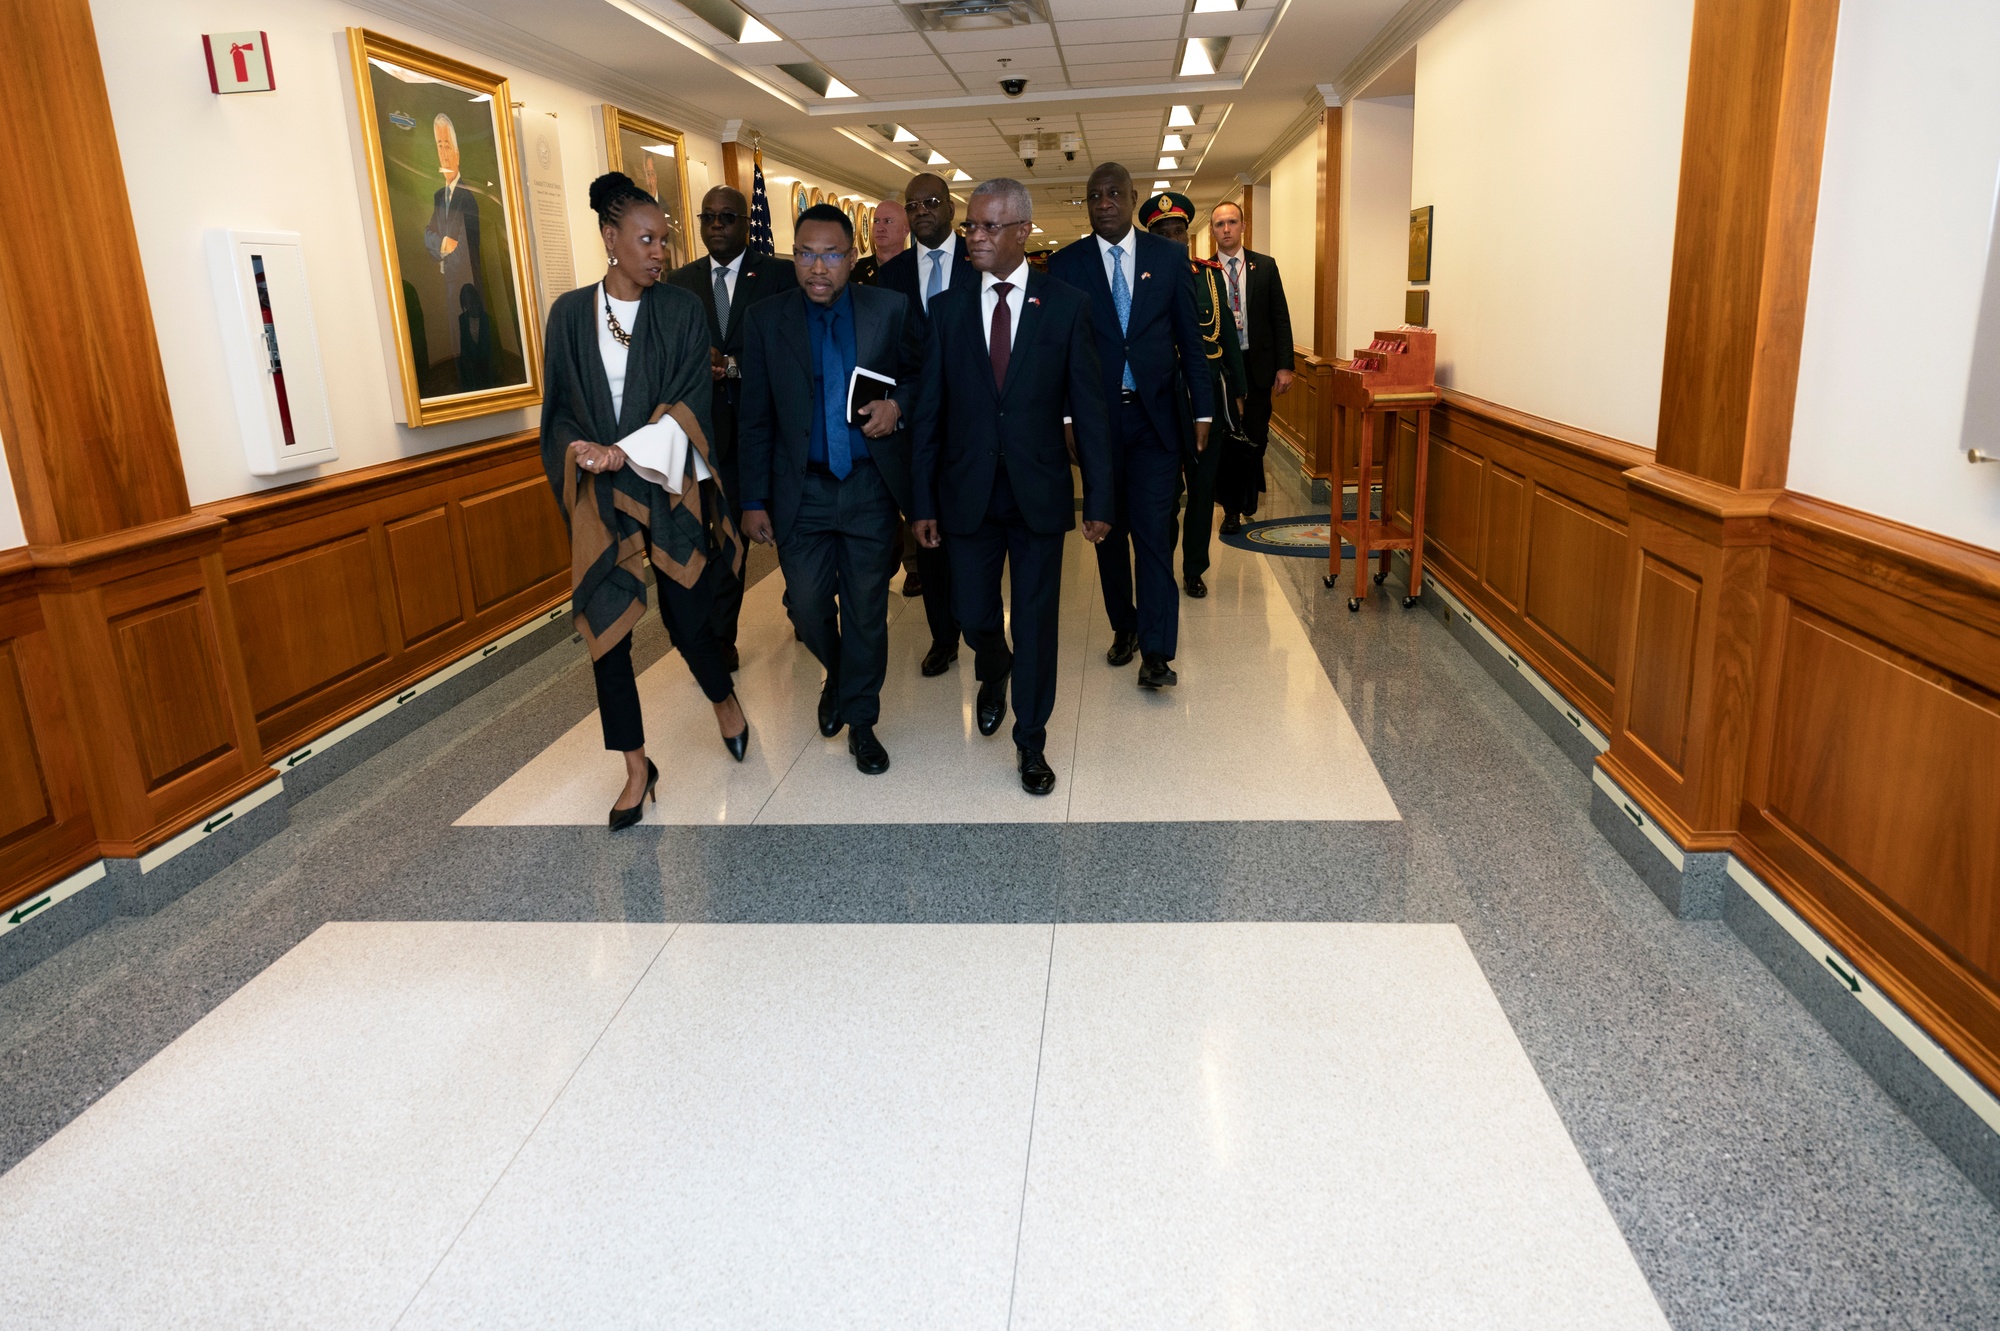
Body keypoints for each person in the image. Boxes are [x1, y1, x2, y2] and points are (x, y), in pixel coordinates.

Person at [540, 172, 750, 831]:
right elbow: (560, 414)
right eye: (647, 238)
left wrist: (624, 453)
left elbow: (690, 400)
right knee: (608, 638)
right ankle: (635, 765)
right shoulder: (570, 315)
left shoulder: (681, 310)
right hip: (599, 499)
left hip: (664, 487)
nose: (661, 251)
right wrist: (584, 451)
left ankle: (723, 699)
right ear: (611, 238)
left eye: (665, 239)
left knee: (689, 623)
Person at [911, 178, 1112, 796]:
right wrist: (921, 500)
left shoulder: (1066, 305)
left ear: (1022, 232)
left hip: (1038, 493)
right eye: (971, 225)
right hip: (966, 492)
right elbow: (929, 412)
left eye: (987, 227)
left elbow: (1091, 407)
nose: (973, 236)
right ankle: (992, 667)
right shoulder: (945, 310)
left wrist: (1101, 497)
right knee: (973, 616)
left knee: (1035, 619)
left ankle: (1032, 741)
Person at [736, 205, 925, 775]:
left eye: (832, 254)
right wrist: (750, 499)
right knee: (810, 605)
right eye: (806, 254)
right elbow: (754, 418)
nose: (818, 268)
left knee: (867, 609)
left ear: (852, 257)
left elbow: (924, 376)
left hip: (869, 487)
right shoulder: (766, 319)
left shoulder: (887, 310)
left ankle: (862, 721)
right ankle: (840, 675)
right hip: (802, 491)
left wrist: (898, 405)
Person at [1047, 162, 1213, 690]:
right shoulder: (1067, 265)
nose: (1104, 203)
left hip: (1156, 419)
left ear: (1132, 196)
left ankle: (1158, 652)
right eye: (1095, 196)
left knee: (1152, 533)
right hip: (1097, 422)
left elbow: (1191, 341)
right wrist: (1068, 416)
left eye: (1114, 193)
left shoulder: (1168, 258)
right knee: (1109, 532)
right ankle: (1125, 628)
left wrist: (1203, 411)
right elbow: (1061, 353)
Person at [666, 186, 798, 671]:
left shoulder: (781, 275)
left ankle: (806, 607)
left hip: (774, 431)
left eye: (728, 217)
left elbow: (791, 351)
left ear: (747, 223)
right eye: (709, 217)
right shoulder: (679, 284)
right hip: (709, 440)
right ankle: (722, 638)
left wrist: (735, 366)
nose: (718, 224)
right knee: (725, 540)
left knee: (791, 529)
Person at [878, 173, 980, 678]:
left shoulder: (979, 262)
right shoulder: (890, 276)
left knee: (974, 533)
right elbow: (885, 354)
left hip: (977, 426)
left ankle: (979, 623)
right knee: (930, 532)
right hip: (917, 430)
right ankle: (943, 636)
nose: (922, 212)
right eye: (913, 204)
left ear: (951, 209)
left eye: (931, 203)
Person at [1140, 191, 1246, 599]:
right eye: (1162, 232)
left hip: (1206, 399)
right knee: (1165, 494)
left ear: (1187, 235)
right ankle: (1161, 563)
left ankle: (1194, 568)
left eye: (1177, 231)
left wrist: (1238, 390)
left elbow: (1230, 342)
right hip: (1161, 403)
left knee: (1203, 491)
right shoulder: (1140, 280)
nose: (1171, 238)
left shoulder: (1209, 275)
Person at [1210, 200, 1295, 533]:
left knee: (1256, 435)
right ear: (1214, 230)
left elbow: (1280, 318)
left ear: (1243, 226)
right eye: (1220, 224)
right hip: (1223, 368)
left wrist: (1285, 366)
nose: (1226, 229)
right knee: (1230, 437)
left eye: (1232, 222)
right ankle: (1232, 508)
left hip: (1259, 365)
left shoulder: (1265, 266)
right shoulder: (1205, 270)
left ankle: (1248, 487)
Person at [423, 114, 482, 386]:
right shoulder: (439, 196)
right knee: (454, 347)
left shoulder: (467, 196)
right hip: (449, 285)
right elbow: (428, 236)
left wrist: (444, 248)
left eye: (447, 145)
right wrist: (444, 244)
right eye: (439, 145)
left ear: (457, 152)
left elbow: (466, 247)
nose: (443, 152)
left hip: (467, 288)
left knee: (471, 349)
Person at [852, 198, 908, 285]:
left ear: (905, 230)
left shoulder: (917, 270)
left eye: (888, 221)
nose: (880, 228)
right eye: (876, 221)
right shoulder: (854, 271)